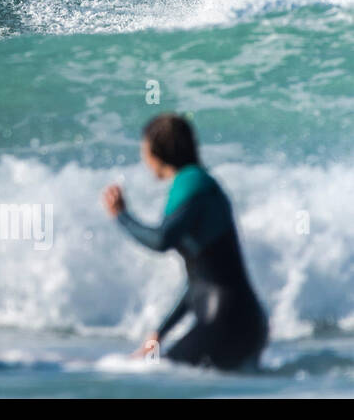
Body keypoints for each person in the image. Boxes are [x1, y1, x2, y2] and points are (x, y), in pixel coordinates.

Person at [101, 114, 268, 370]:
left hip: (226, 324)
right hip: (243, 323)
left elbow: (161, 240)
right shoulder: (201, 182)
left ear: (157, 150)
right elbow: (200, 286)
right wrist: (159, 333)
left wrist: (122, 215)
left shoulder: (191, 182)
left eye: (144, 149)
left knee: (158, 378)